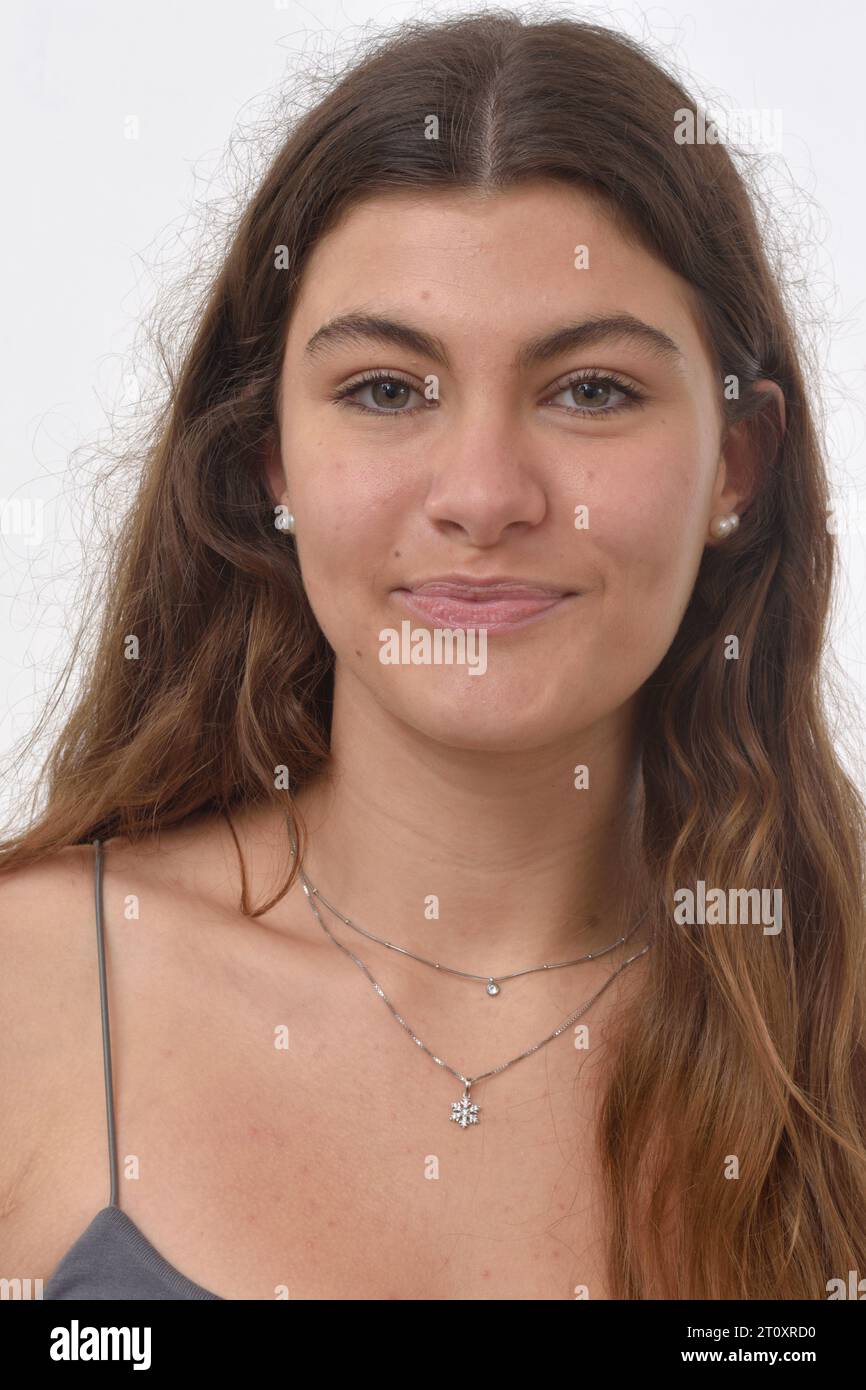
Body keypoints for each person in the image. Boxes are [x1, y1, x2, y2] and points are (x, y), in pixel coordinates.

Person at [1, 13, 864, 1301]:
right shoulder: (31, 996)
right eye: (388, 391)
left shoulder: (836, 1022)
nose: (483, 494)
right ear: (272, 461)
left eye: (591, 391)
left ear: (739, 463)